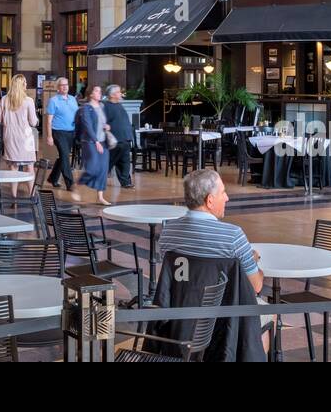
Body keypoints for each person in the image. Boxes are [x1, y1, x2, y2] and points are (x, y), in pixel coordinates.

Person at [156, 169, 269, 354]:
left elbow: (177, 276)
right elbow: (255, 286)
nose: (227, 198)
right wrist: (254, 261)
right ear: (209, 200)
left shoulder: (169, 231)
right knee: (268, 312)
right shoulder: (233, 236)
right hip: (224, 323)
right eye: (223, 192)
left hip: (178, 319)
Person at [0, 75, 39, 196]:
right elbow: (33, 122)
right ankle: (32, 195)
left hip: (10, 136)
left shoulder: (4, 99)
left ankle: (14, 197)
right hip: (25, 138)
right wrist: (37, 121)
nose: (26, 85)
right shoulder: (28, 101)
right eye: (25, 83)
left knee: (13, 169)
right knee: (29, 167)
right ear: (21, 85)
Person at [73, 85, 110, 206]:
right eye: (97, 91)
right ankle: (77, 186)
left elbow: (103, 122)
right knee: (92, 169)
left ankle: (100, 197)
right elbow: (87, 126)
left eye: (100, 91)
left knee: (103, 169)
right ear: (90, 94)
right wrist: (96, 141)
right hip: (90, 142)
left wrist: (106, 126)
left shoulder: (102, 106)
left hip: (103, 141)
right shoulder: (86, 108)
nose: (100, 93)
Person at [44, 77, 78, 191]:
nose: (65, 87)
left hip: (71, 132)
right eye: (62, 85)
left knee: (64, 155)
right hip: (58, 132)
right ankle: (70, 183)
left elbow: (77, 116)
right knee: (64, 155)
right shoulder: (54, 101)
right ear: (58, 88)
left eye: (66, 84)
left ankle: (53, 178)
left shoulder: (73, 99)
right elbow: (49, 120)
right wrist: (49, 136)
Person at [101, 84, 135, 190]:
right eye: (119, 92)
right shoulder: (106, 106)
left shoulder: (119, 105)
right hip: (115, 140)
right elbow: (102, 122)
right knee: (110, 161)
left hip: (125, 138)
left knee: (124, 162)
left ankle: (126, 182)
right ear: (113, 95)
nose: (121, 94)